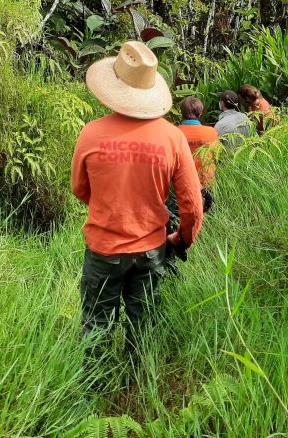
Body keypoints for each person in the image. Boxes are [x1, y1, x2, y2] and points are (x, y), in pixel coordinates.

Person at [71, 41, 204, 362]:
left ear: (114, 86)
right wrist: (181, 239)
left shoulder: (91, 134)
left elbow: (80, 189)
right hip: (151, 251)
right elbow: (192, 206)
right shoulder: (172, 137)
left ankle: (93, 395)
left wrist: (110, 204)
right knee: (143, 324)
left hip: (103, 249)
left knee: (97, 325)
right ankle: (139, 388)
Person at [175, 96, 218, 213]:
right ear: (200, 115)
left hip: (182, 184)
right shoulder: (211, 132)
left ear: (181, 113)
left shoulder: (174, 133)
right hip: (207, 181)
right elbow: (216, 156)